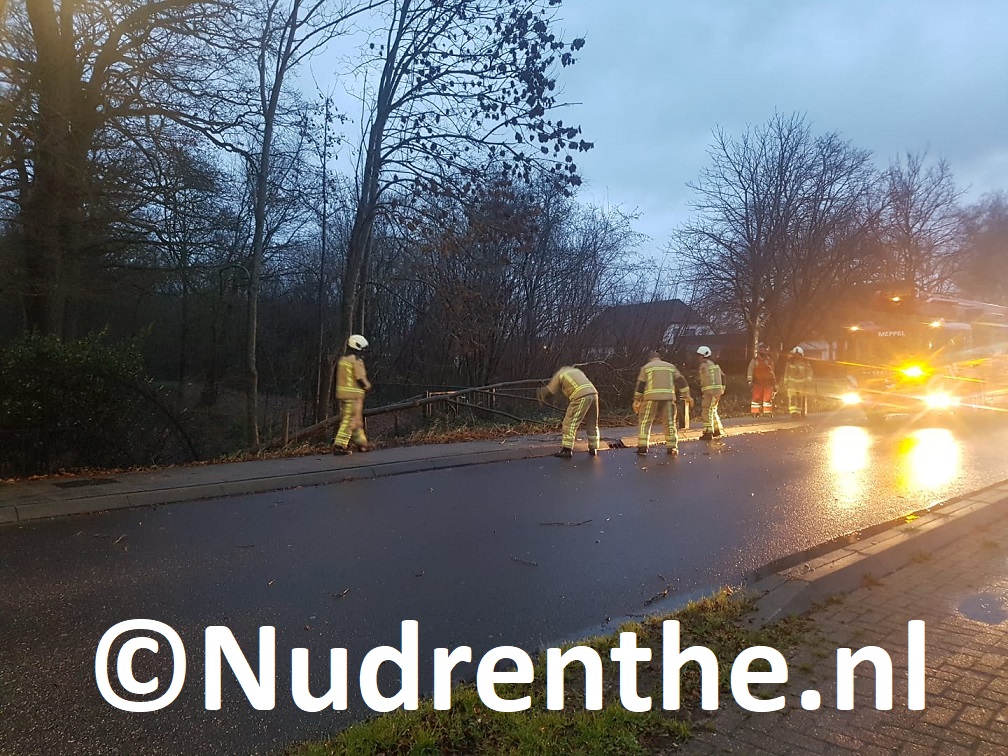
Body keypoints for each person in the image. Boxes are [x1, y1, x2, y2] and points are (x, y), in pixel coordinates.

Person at [633, 351, 693, 456]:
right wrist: (687, 395)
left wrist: (637, 400)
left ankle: (642, 447)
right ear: (659, 358)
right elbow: (681, 380)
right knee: (669, 422)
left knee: (645, 421)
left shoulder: (646, 367)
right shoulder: (670, 367)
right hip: (668, 398)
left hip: (650, 398)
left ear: (649, 359)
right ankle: (672, 447)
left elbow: (641, 385)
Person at [538, 365, 600, 458]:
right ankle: (593, 448)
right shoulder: (577, 371)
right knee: (592, 422)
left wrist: (541, 395)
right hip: (593, 394)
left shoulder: (560, 374)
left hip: (580, 396)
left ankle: (567, 449)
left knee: (570, 422)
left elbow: (549, 390)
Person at [332, 334, 372, 455]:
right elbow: (360, 377)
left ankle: (362, 444)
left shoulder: (342, 360)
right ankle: (340, 445)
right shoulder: (356, 361)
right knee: (349, 420)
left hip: (344, 394)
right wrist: (367, 386)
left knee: (356, 421)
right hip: (353, 396)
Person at [696, 346, 725, 441]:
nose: (698, 358)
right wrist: (722, 389)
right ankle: (717, 430)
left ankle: (708, 432)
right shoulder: (714, 364)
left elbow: (704, 380)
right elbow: (723, 376)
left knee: (706, 411)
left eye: (699, 355)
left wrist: (702, 389)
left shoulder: (704, 366)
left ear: (703, 355)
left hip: (710, 392)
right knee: (712, 410)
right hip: (717, 392)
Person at [746, 343, 777, 418]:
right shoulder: (755, 360)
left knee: (767, 398)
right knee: (756, 397)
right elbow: (750, 370)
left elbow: (772, 372)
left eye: (765, 351)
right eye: (762, 350)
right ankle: (755, 412)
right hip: (758, 382)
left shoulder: (769, 361)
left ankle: (767, 412)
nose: (763, 353)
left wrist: (774, 382)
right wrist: (750, 380)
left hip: (768, 383)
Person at [783, 346, 814, 417]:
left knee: (801, 398)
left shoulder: (805, 363)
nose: (797, 356)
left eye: (798, 354)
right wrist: (786, 382)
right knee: (793, 398)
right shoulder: (790, 362)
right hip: (792, 384)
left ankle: (800, 412)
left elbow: (809, 372)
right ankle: (793, 412)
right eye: (795, 354)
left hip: (802, 384)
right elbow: (786, 372)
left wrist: (808, 381)